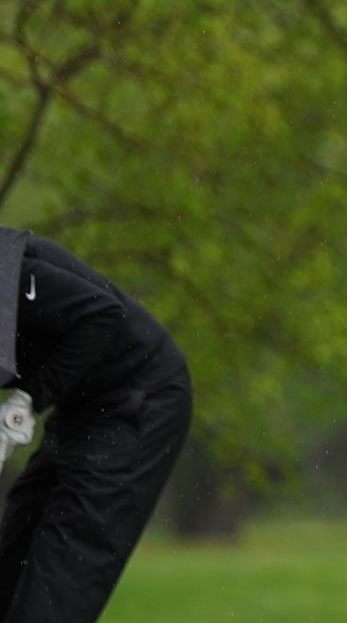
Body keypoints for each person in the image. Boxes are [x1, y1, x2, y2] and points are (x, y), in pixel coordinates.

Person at [0, 227, 193, 622]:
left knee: (53, 593)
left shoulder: (7, 270)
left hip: (141, 398)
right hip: (80, 405)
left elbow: (100, 314)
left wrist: (26, 400)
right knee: (9, 568)